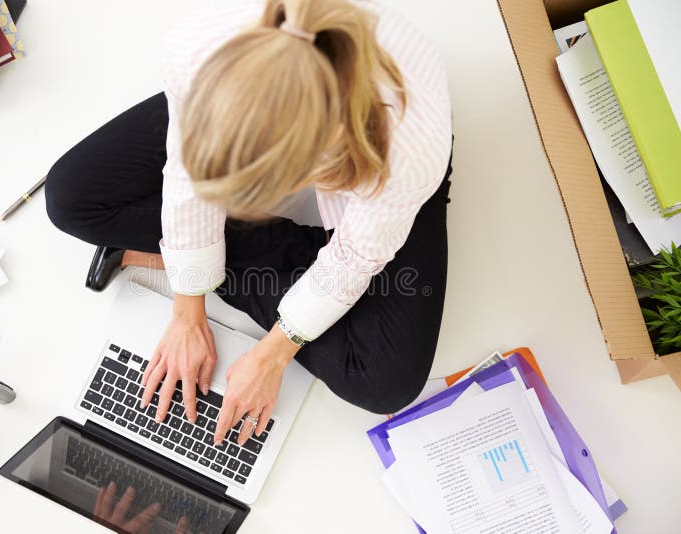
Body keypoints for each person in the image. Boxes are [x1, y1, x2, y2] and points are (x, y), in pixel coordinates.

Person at [46, 0, 452, 448]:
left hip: (385, 159)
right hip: (259, 86)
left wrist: (273, 355)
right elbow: (186, 175)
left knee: (383, 382)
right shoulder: (195, 48)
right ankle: (232, 264)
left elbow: (356, 255)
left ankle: (172, 254)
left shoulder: (411, 148)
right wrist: (187, 310)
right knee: (71, 199)